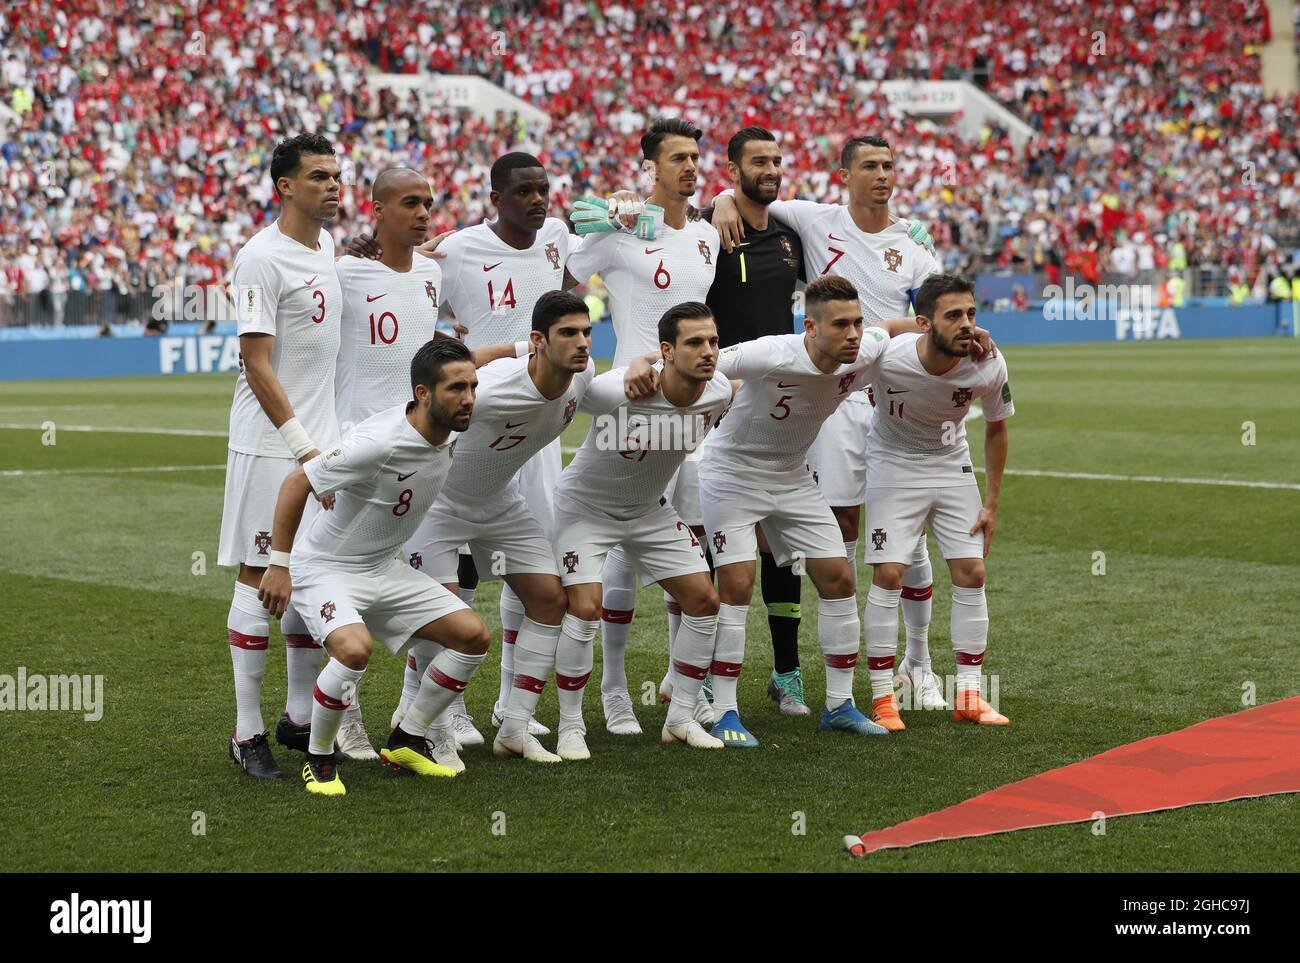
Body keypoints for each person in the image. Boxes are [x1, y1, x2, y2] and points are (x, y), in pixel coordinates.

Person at [699, 276, 993, 744]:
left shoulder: (867, 348)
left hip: (792, 474)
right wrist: (642, 364)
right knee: (736, 584)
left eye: (857, 322)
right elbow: (701, 359)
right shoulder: (771, 352)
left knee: (839, 578)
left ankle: (839, 704)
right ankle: (724, 710)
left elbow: (899, 327)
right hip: (732, 474)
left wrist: (973, 334)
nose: (854, 334)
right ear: (810, 328)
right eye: (841, 325)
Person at [712, 134, 946, 711]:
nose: (882, 176)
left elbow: (931, 320)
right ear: (843, 174)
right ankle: (792, 671)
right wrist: (720, 198)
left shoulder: (914, 245)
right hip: (834, 398)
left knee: (906, 535)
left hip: (894, 398)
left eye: (890, 165)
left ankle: (919, 666)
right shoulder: (813, 220)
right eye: (869, 166)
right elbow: (751, 193)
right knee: (825, 533)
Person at [257, 339, 492, 796]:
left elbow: (489, 358)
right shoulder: (378, 442)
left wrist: (524, 344)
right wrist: (279, 566)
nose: (468, 398)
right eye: (456, 389)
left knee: (473, 637)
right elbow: (295, 482)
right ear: (423, 394)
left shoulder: (453, 428)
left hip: (383, 568)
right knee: (353, 649)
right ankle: (320, 760)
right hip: (324, 568)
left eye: (472, 387)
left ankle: (408, 738)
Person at [561, 117, 721, 736]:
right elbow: (573, 264)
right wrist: (607, 214)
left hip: (687, 412)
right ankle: (614, 688)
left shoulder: (707, 236)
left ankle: (687, 691)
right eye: (676, 157)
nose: (688, 166)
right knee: (622, 551)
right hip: (630, 403)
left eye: (694, 157)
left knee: (688, 549)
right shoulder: (623, 227)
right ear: (648, 167)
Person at [398, 290, 601, 765]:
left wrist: (643, 368)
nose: (582, 343)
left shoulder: (582, 377)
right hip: (440, 502)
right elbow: (418, 413)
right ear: (538, 341)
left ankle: (514, 728)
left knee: (551, 600)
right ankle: (436, 734)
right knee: (443, 621)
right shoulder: (489, 387)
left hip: (500, 501)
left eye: (587, 332)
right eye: (568, 333)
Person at [550, 302, 735, 755]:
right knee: (585, 607)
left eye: (712, 341)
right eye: (695, 343)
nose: (708, 351)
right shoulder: (616, 390)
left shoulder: (720, 390)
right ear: (668, 351)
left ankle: (680, 717)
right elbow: (557, 389)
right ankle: (570, 725)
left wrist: (646, 357)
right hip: (585, 509)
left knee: (704, 600)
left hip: (649, 510)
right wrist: (636, 364)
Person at [218, 132, 344, 780]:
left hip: (319, 440)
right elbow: (255, 362)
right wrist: (300, 443)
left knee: (303, 569)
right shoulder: (257, 260)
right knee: (259, 570)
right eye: (318, 176)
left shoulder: (326, 245)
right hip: (272, 442)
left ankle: (298, 716)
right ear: (285, 186)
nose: (332, 185)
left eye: (336, 175)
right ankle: (246, 731)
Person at [330, 166, 454, 760]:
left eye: (428, 202)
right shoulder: (346, 272)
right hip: (359, 450)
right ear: (376, 208)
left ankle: (422, 716)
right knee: (344, 585)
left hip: (419, 449)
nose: (423, 211)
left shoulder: (432, 272)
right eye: (410, 202)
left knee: (420, 582)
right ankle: (343, 717)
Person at [862, 274, 1012, 730]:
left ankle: (969, 693)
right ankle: (882, 697)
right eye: (954, 316)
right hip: (893, 463)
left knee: (972, 571)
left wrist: (991, 503)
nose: (967, 324)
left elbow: (997, 426)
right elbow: (844, 361)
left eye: (971, 313)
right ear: (924, 324)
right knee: (890, 572)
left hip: (951, 465)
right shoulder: (889, 358)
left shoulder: (989, 364)